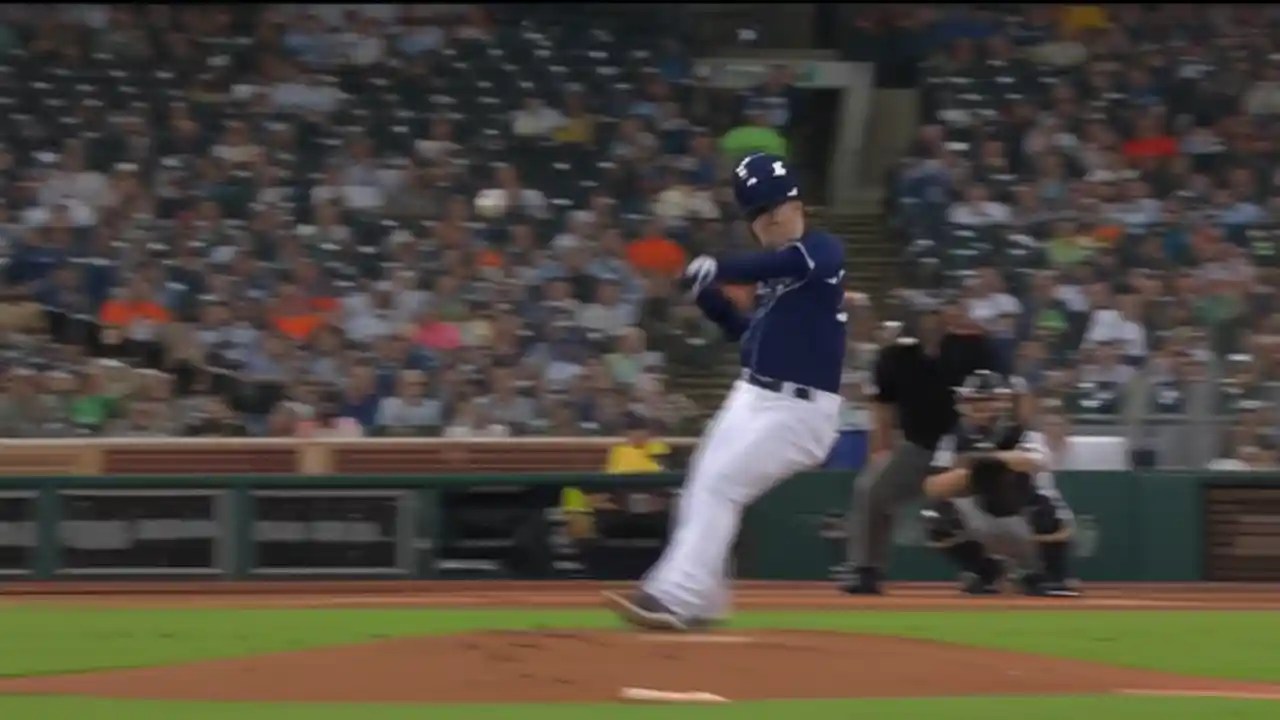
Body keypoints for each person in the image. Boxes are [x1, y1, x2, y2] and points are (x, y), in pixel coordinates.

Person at [604, 152, 847, 630]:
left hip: (800, 412)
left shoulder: (822, 252)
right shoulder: (781, 273)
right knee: (701, 482)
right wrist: (709, 298)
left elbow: (771, 263)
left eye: (757, 216)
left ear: (774, 211)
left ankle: (676, 595)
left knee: (721, 486)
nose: (757, 226)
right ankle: (705, 599)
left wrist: (718, 266)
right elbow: (748, 336)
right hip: (755, 395)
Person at [843, 296, 998, 594]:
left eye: (936, 312)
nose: (931, 321)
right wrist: (880, 450)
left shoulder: (972, 346)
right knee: (870, 490)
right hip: (919, 446)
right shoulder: (894, 355)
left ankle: (987, 568)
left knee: (954, 509)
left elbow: (1001, 395)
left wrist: (990, 443)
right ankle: (865, 568)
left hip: (969, 447)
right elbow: (883, 410)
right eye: (924, 314)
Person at [918, 371, 1081, 597]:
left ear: (1002, 402)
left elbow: (1034, 462)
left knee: (1040, 506)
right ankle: (987, 573)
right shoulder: (954, 439)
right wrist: (970, 473)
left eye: (987, 400)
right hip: (982, 524)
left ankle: (1053, 576)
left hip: (1027, 528)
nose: (981, 407)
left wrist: (990, 458)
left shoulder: (1023, 434)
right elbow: (932, 487)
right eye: (974, 401)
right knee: (934, 515)